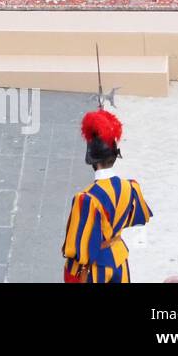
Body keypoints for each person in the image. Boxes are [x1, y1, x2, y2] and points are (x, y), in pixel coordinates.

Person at [63, 109, 152, 283]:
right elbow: (137, 217)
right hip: (119, 258)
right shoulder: (130, 187)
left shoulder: (86, 198)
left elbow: (76, 247)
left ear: (92, 161)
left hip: (95, 269)